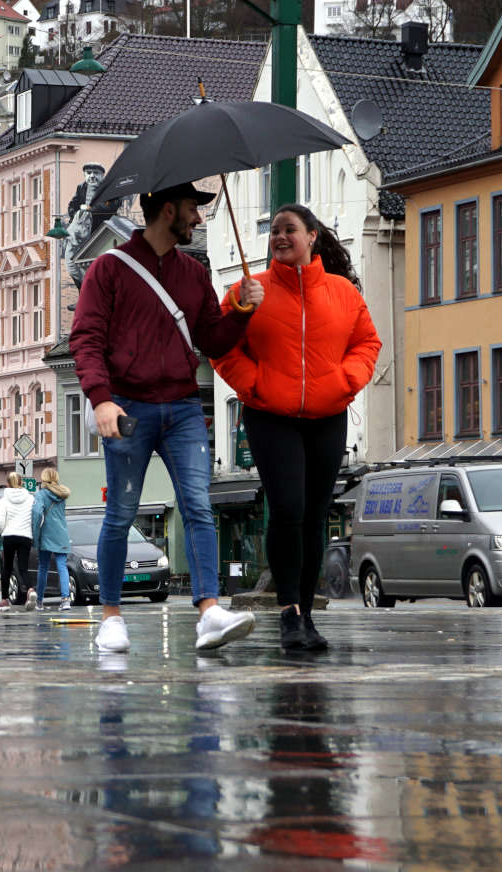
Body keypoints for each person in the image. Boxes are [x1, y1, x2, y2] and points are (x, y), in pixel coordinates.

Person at [69, 181, 262, 655]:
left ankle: (209, 612)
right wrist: (100, 400)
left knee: (198, 505)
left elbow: (212, 342)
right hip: (127, 408)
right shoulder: (108, 270)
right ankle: (111, 618)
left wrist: (239, 310)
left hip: (182, 408)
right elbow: (85, 339)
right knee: (121, 514)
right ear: (169, 208)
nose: (198, 219)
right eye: (194, 209)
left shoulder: (193, 275)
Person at [212, 204, 381, 654]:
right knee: (287, 508)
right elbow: (220, 346)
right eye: (273, 231)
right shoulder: (250, 290)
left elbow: (367, 342)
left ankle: (307, 613)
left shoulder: (342, 292)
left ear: (311, 237)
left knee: (313, 516)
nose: (279, 237)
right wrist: (255, 384)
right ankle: (288, 613)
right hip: (271, 415)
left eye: (289, 230)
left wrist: (346, 381)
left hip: (327, 414)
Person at [0, 470, 35, 610]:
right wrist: (31, 531)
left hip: (9, 536)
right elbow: (36, 517)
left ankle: (4, 600)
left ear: (7, 484)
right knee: (23, 567)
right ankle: (30, 589)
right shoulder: (30, 498)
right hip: (25, 536)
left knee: (7, 567)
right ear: (21, 482)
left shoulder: (4, 500)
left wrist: (4, 531)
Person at [32, 468, 73, 610]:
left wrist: (35, 535)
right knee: (62, 566)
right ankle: (66, 599)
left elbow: (37, 514)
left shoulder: (40, 495)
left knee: (43, 567)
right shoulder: (62, 495)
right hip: (62, 534)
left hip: (46, 534)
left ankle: (39, 601)